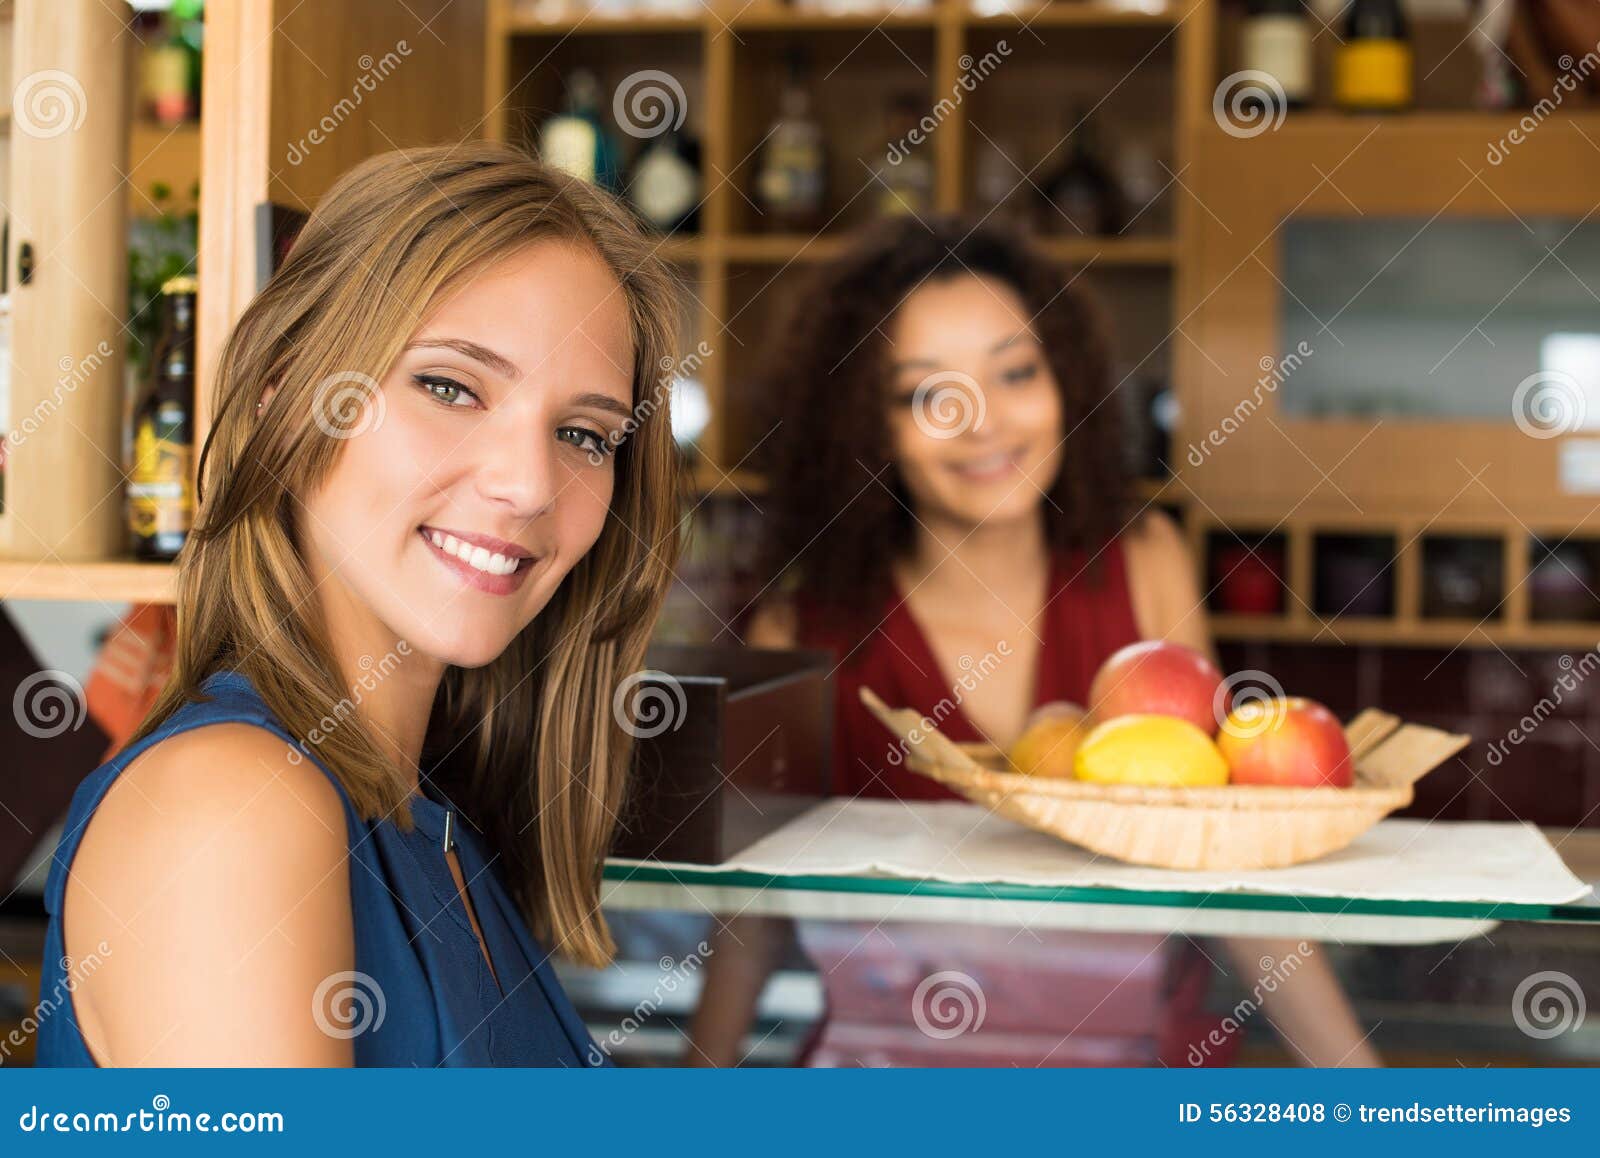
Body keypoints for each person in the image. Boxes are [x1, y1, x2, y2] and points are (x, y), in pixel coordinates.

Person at [36, 143, 684, 1066]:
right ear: (285, 399)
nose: (528, 483)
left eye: (583, 434)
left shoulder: (437, 820)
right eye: (450, 386)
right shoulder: (232, 809)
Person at [687, 214, 1379, 1068]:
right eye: (925, 393)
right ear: (864, 430)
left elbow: (1225, 869)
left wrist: (1365, 1094)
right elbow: (750, 917)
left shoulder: (1148, 565)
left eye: (1015, 372)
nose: (984, 422)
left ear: (1067, 385)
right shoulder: (802, 628)